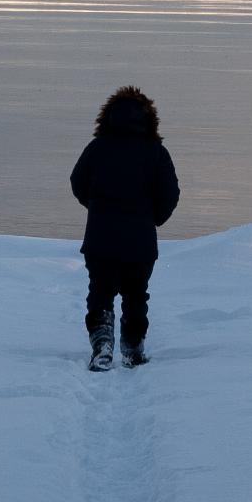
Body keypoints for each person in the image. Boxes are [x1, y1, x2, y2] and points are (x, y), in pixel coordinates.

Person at [69, 85, 180, 370]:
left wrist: (96, 208)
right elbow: (169, 195)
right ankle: (133, 350)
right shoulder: (156, 152)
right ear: (149, 119)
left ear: (106, 117)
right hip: (140, 241)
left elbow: (77, 182)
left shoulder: (97, 149)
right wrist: (153, 219)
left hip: (101, 238)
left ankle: (103, 344)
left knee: (100, 292)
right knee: (136, 295)